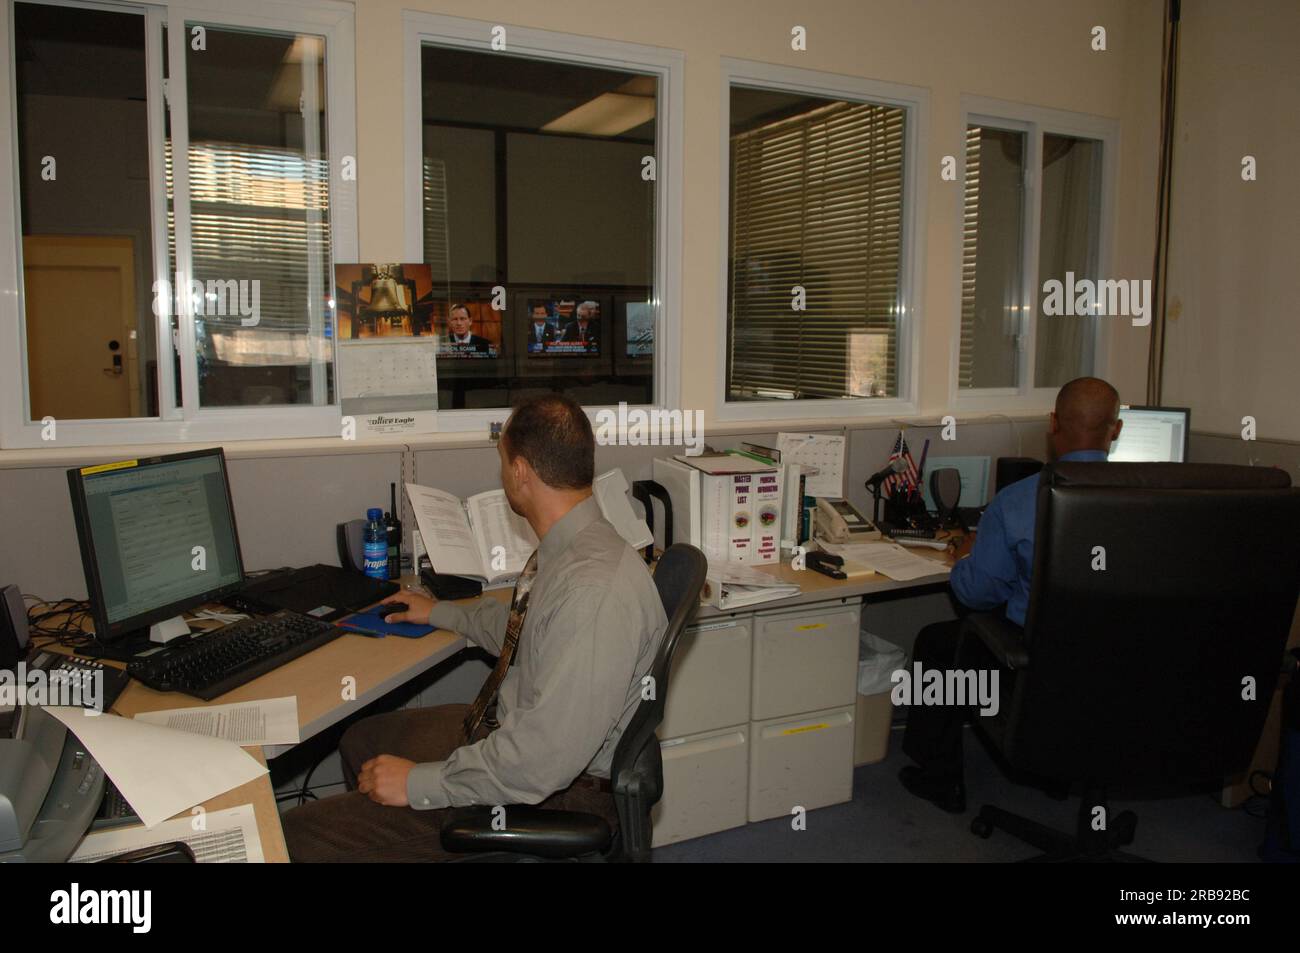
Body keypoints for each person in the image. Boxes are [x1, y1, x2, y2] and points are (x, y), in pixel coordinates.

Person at [281, 394, 668, 861]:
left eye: (503, 463)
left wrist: (419, 783)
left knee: (296, 836)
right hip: (528, 737)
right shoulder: (580, 544)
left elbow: (540, 762)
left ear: (522, 472)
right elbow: (528, 627)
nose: (503, 475)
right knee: (362, 740)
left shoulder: (594, 591)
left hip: (561, 793)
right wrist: (439, 612)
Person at [898, 376, 1123, 813]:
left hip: (1040, 665)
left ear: (1053, 423)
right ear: (1116, 430)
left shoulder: (1019, 500)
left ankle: (941, 779)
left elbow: (979, 594)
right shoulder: (1156, 500)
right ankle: (1064, 766)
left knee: (937, 642)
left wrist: (966, 556)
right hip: (1120, 668)